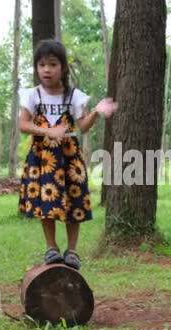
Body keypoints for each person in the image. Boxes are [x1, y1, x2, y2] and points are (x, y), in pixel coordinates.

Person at [18, 39, 117, 269]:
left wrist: (96, 112)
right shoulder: (33, 95)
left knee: (75, 202)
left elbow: (82, 126)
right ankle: (51, 248)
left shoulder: (74, 96)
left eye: (52, 64)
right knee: (46, 201)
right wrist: (47, 131)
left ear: (62, 68)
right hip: (42, 158)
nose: (46, 69)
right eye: (41, 65)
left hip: (69, 157)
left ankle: (72, 251)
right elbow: (23, 125)